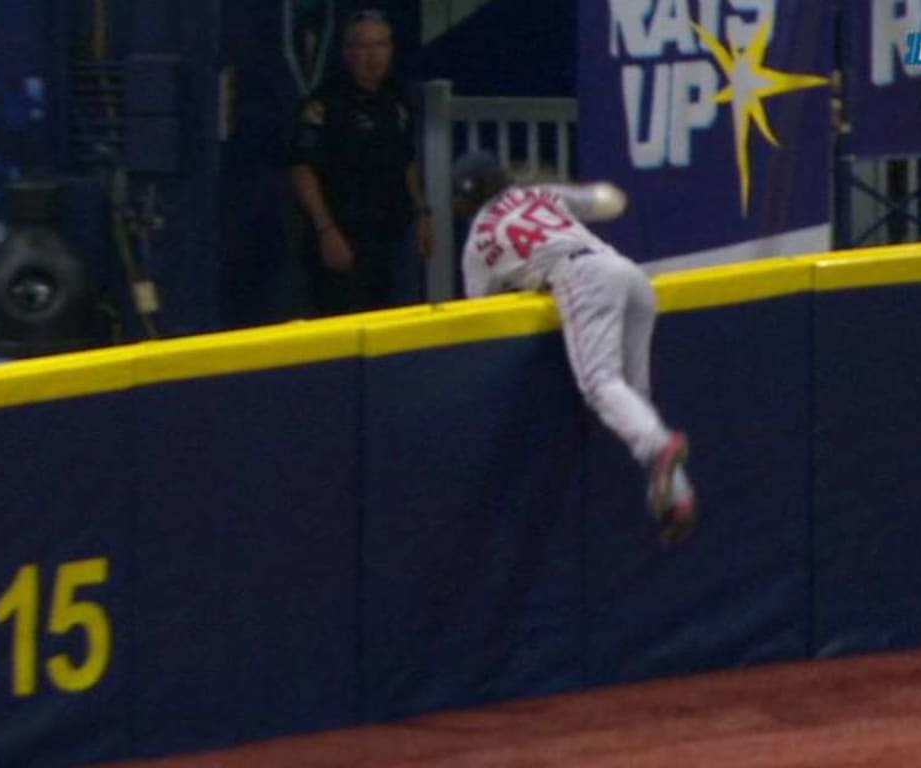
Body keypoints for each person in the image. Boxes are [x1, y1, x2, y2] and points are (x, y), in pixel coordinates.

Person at [451, 151, 697, 544]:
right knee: (634, 399)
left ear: (465, 200)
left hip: (582, 279)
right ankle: (678, 497)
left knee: (600, 383)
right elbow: (610, 202)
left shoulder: (477, 243)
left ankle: (660, 447)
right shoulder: (536, 194)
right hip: (628, 274)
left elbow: (479, 312)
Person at [288, 9, 433, 316]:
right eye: (365, 47)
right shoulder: (327, 102)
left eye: (381, 46)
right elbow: (302, 168)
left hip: (391, 235)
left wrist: (422, 213)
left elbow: (406, 161)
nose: (374, 56)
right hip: (344, 234)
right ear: (348, 52)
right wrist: (326, 230)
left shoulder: (397, 99)